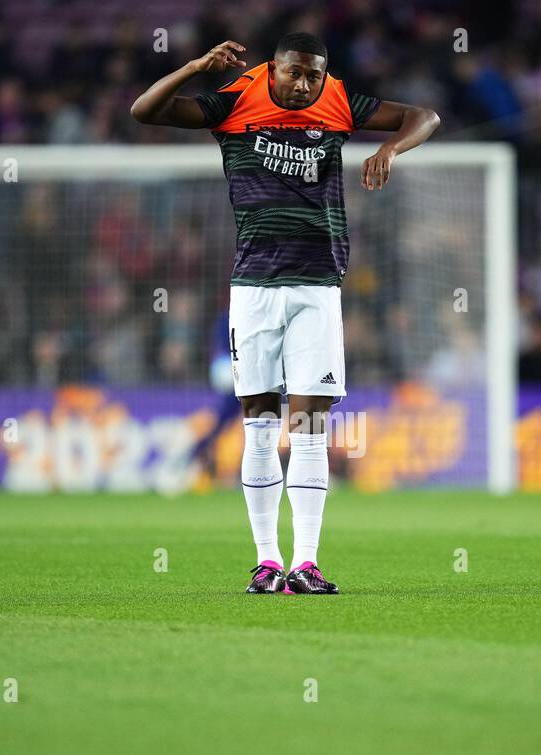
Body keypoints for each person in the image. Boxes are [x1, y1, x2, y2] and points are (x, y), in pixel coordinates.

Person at [131, 34, 439, 594]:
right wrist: (197, 67)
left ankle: (307, 563)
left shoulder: (341, 102)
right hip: (253, 288)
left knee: (310, 428)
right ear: (273, 69)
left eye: (313, 76)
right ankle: (267, 560)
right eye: (294, 74)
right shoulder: (232, 100)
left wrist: (391, 147)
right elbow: (144, 110)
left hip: (319, 285)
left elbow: (425, 115)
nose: (304, 84)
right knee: (258, 424)